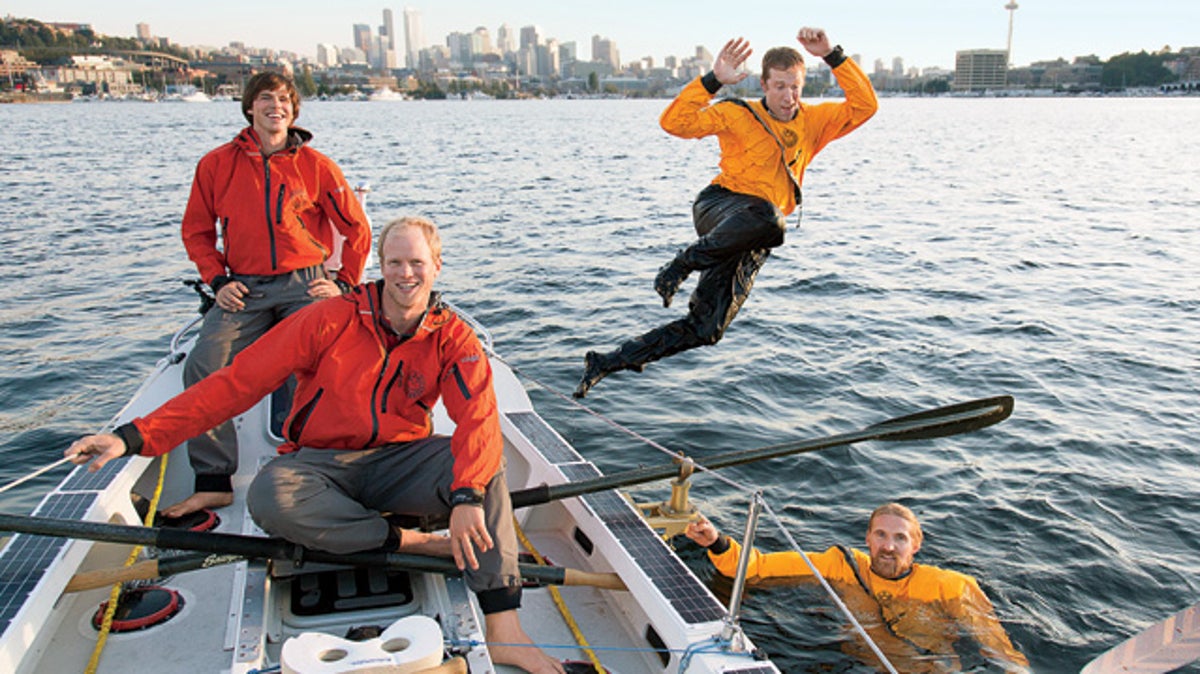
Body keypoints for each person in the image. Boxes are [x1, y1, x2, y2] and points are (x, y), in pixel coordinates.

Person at [67, 217, 564, 674]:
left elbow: (477, 419)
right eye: (395, 262)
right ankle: (413, 542)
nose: (406, 274)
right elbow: (235, 384)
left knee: (484, 462)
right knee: (268, 497)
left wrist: (466, 498)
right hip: (321, 466)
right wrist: (133, 436)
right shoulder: (330, 318)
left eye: (417, 263)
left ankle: (505, 629)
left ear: (437, 266)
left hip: (400, 461)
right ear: (380, 266)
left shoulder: (454, 337)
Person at [574, 28, 877, 398]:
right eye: (780, 86)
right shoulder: (737, 113)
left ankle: (607, 361)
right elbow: (675, 123)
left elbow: (865, 106)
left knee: (707, 329)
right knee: (769, 218)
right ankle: (680, 265)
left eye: (795, 87)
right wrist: (713, 80)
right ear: (764, 84)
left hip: (753, 235)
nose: (789, 96)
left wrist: (831, 54)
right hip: (718, 208)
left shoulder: (813, 122)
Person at [172, 71, 371, 519]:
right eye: (266, 98)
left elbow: (356, 228)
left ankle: (321, 461)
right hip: (245, 287)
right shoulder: (216, 165)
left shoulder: (317, 166)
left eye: (284, 99)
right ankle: (213, 480)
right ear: (249, 108)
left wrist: (343, 283)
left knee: (334, 359)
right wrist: (218, 281)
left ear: (294, 111)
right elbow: (197, 231)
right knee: (205, 365)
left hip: (306, 283)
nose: (275, 106)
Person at [685, 503, 1030, 673]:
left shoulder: (950, 587)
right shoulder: (841, 566)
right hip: (857, 664)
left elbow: (998, 649)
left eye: (900, 538)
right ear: (867, 538)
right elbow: (755, 567)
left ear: (917, 546)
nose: (888, 547)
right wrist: (716, 542)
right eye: (880, 535)